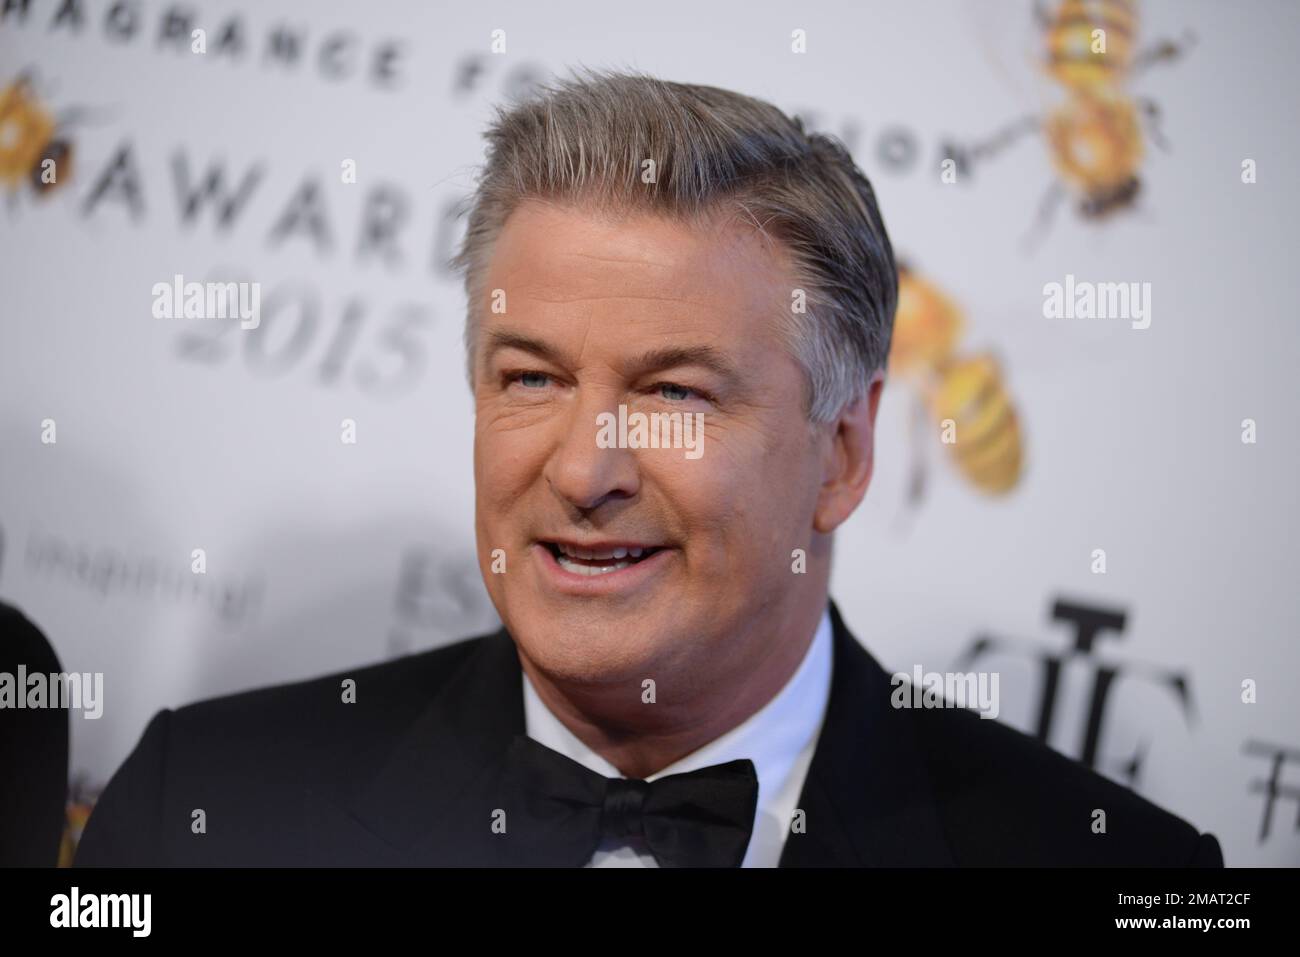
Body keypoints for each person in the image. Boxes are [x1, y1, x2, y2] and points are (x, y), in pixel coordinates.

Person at [76, 69, 1222, 867]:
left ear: (843, 453)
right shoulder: (211, 806)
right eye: (530, 378)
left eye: (674, 392)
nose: (583, 470)